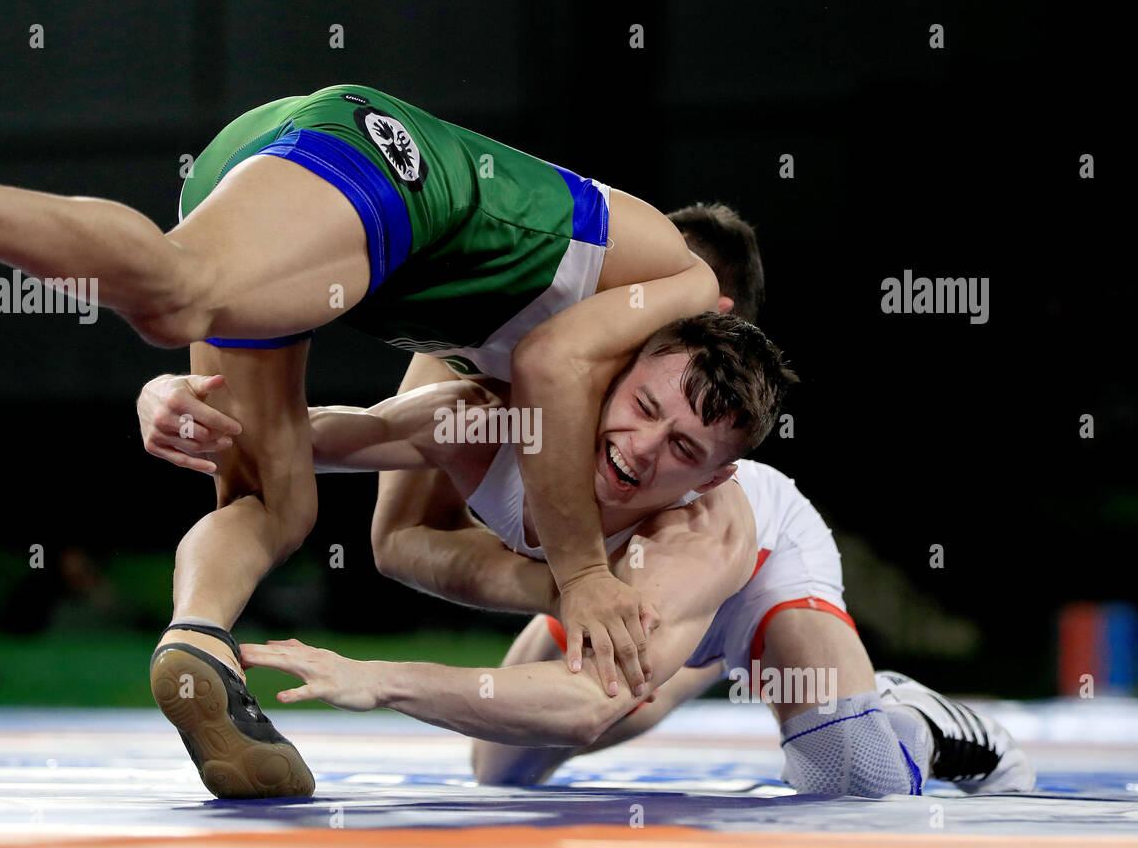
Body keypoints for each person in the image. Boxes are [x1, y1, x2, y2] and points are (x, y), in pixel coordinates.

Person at [0, 85, 730, 797]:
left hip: (331, 193)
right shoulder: (676, 292)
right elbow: (552, 365)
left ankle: (199, 640)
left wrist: (166, 399)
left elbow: (385, 502)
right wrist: (579, 576)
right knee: (181, 295)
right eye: (670, 402)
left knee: (271, 494)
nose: (660, 426)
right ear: (720, 313)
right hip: (384, 165)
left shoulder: (503, 370)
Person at [144, 314, 1034, 796]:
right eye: (643, 407)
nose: (644, 451)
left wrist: (378, 677)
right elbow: (315, 439)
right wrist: (170, 397)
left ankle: (917, 715)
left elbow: (582, 709)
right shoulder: (494, 416)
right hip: (624, 597)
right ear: (612, 378)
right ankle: (680, 663)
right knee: (500, 769)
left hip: (755, 584)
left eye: (684, 449)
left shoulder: (708, 524)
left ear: (714, 476)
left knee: (858, 781)